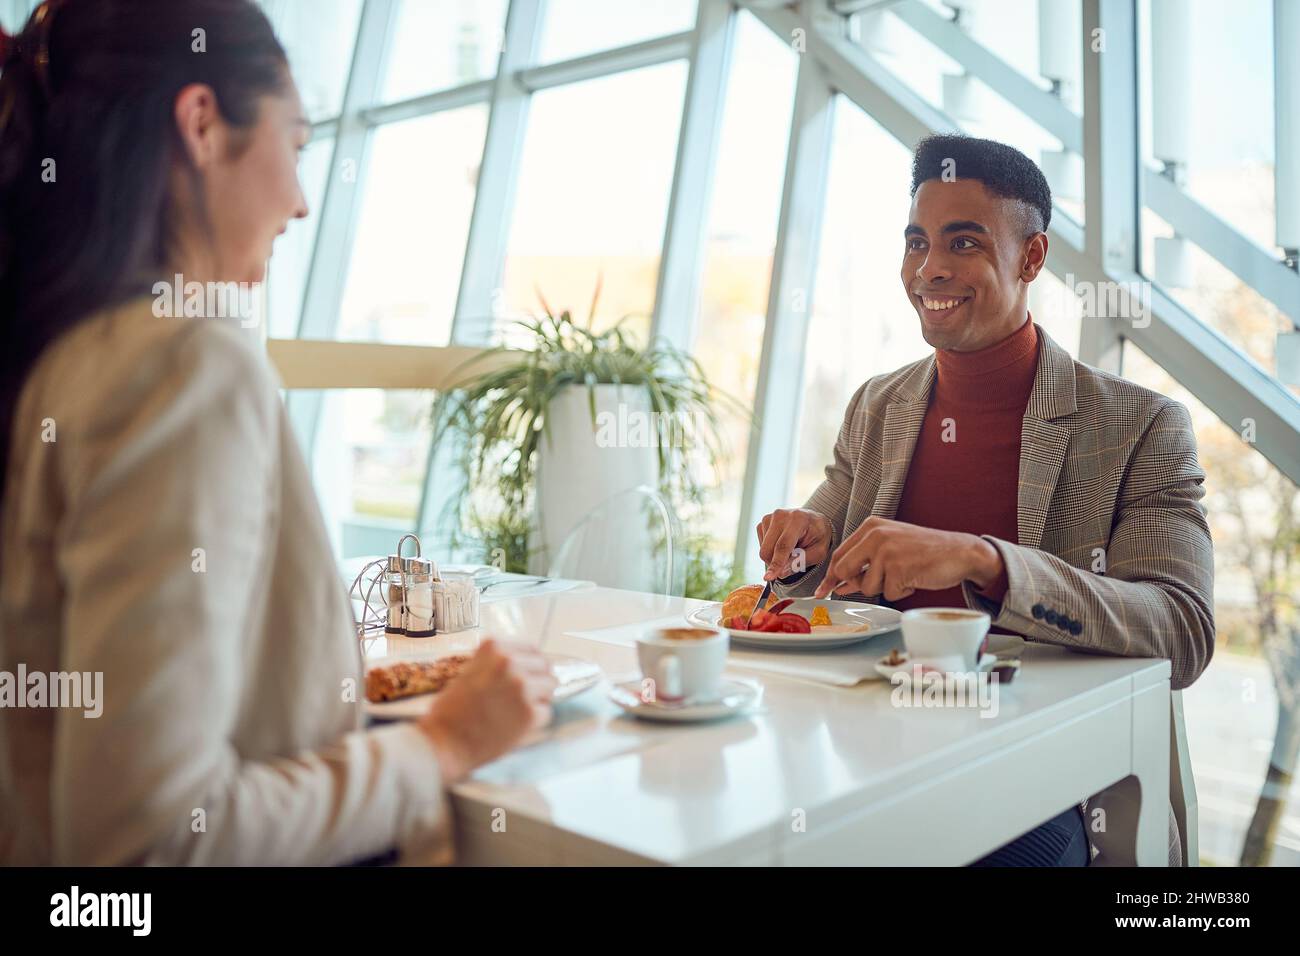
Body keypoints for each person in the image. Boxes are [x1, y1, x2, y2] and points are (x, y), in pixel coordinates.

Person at [0, 0, 554, 866]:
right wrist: (441, 744)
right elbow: (146, 840)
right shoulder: (182, 363)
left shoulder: (60, 356)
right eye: (296, 146)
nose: (300, 204)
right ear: (203, 125)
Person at [756, 134, 1214, 866]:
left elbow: (1183, 630)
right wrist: (803, 542)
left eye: (962, 243)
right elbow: (818, 570)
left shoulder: (1141, 427)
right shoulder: (876, 407)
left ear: (1032, 258)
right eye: (916, 242)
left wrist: (985, 563)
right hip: (862, 745)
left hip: (1046, 774)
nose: (929, 268)